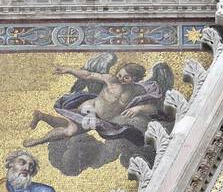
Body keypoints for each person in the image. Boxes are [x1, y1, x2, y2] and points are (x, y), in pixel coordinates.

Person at [26, 60, 168, 149]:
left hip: (101, 120)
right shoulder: (111, 80)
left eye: (126, 77)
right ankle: (37, 141)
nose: (121, 78)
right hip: (89, 109)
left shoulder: (138, 90)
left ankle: (41, 116)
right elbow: (88, 75)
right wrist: (68, 70)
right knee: (70, 130)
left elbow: (153, 108)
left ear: (135, 79)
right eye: (120, 74)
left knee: (67, 124)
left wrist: (139, 108)